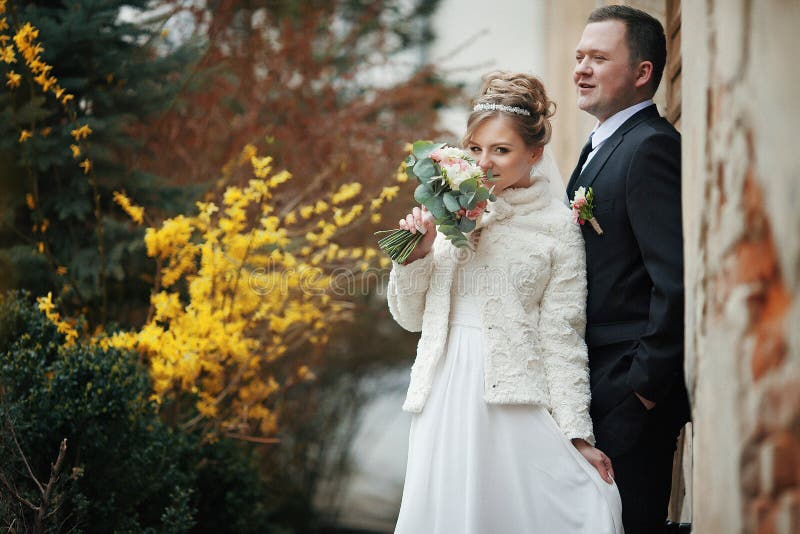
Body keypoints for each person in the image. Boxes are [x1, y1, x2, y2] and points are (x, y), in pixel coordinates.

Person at [388, 71, 623, 533]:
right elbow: (410, 318)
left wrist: (578, 434)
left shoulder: (557, 227)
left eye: (501, 150)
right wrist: (415, 256)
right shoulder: (445, 211)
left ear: (534, 154)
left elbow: (562, 337)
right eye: (475, 148)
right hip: (443, 392)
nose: (484, 163)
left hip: (512, 398)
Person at [567, 6, 691, 533]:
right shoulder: (602, 144)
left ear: (642, 72)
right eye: (580, 56)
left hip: (628, 396)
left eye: (599, 58)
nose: (582, 68)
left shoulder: (651, 147)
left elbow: (675, 280)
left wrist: (642, 391)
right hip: (597, 385)